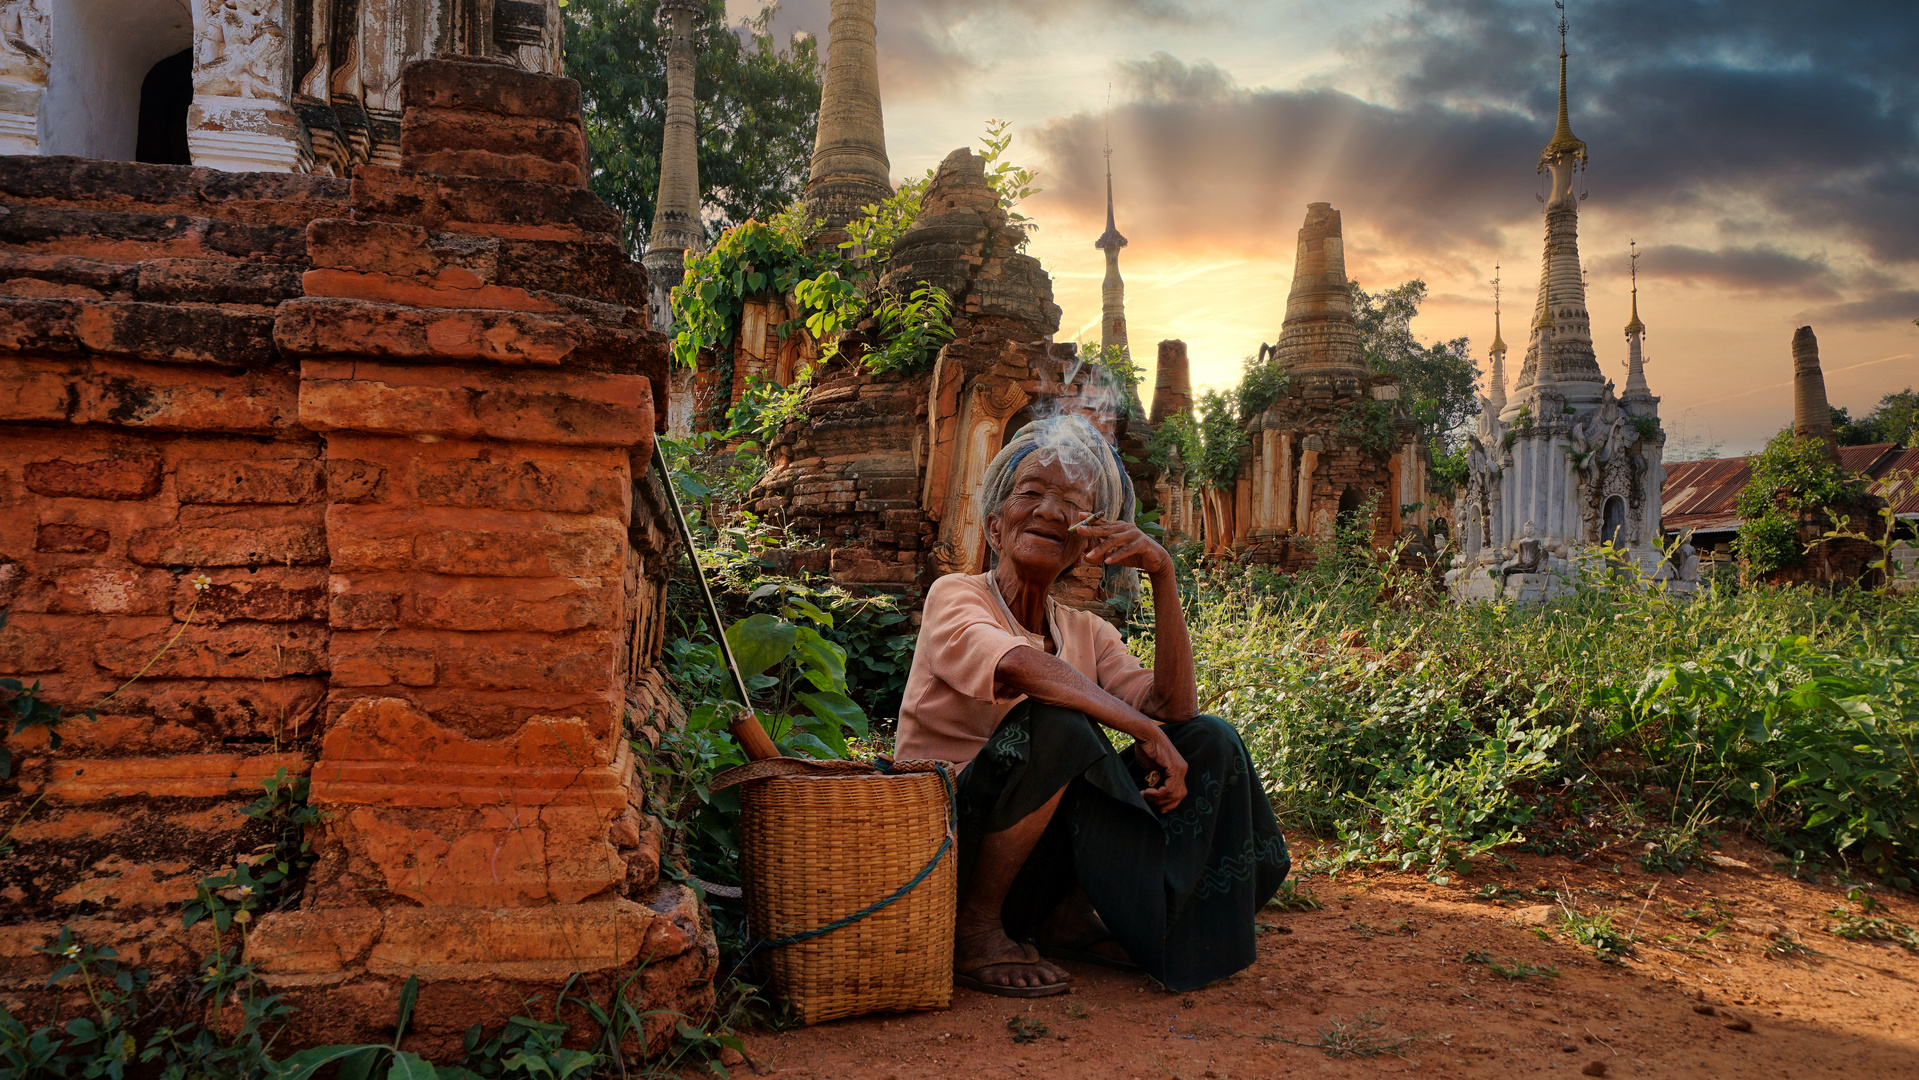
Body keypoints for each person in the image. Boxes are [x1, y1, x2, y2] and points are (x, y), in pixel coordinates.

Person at [895, 414, 1290, 998]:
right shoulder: (956, 595)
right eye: (1031, 494)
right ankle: (974, 931)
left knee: (1209, 738)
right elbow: (1020, 669)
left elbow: (1174, 709)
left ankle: (1071, 918)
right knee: (1058, 721)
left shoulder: (1086, 630)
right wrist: (1140, 730)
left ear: (1087, 549)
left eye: (1072, 504)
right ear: (996, 528)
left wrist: (1163, 575)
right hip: (949, 844)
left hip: (1042, 861)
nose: (1051, 511)